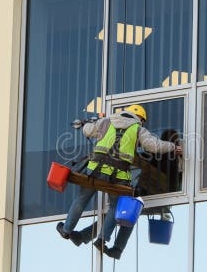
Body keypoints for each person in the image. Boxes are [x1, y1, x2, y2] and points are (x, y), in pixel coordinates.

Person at [56, 104, 182, 259]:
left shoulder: (106, 121)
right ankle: (102, 240)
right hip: (119, 175)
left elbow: (87, 130)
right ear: (140, 118)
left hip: (95, 169)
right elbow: (153, 146)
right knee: (115, 207)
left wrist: (89, 123)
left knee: (82, 199)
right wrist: (173, 147)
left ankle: (67, 230)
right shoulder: (138, 129)